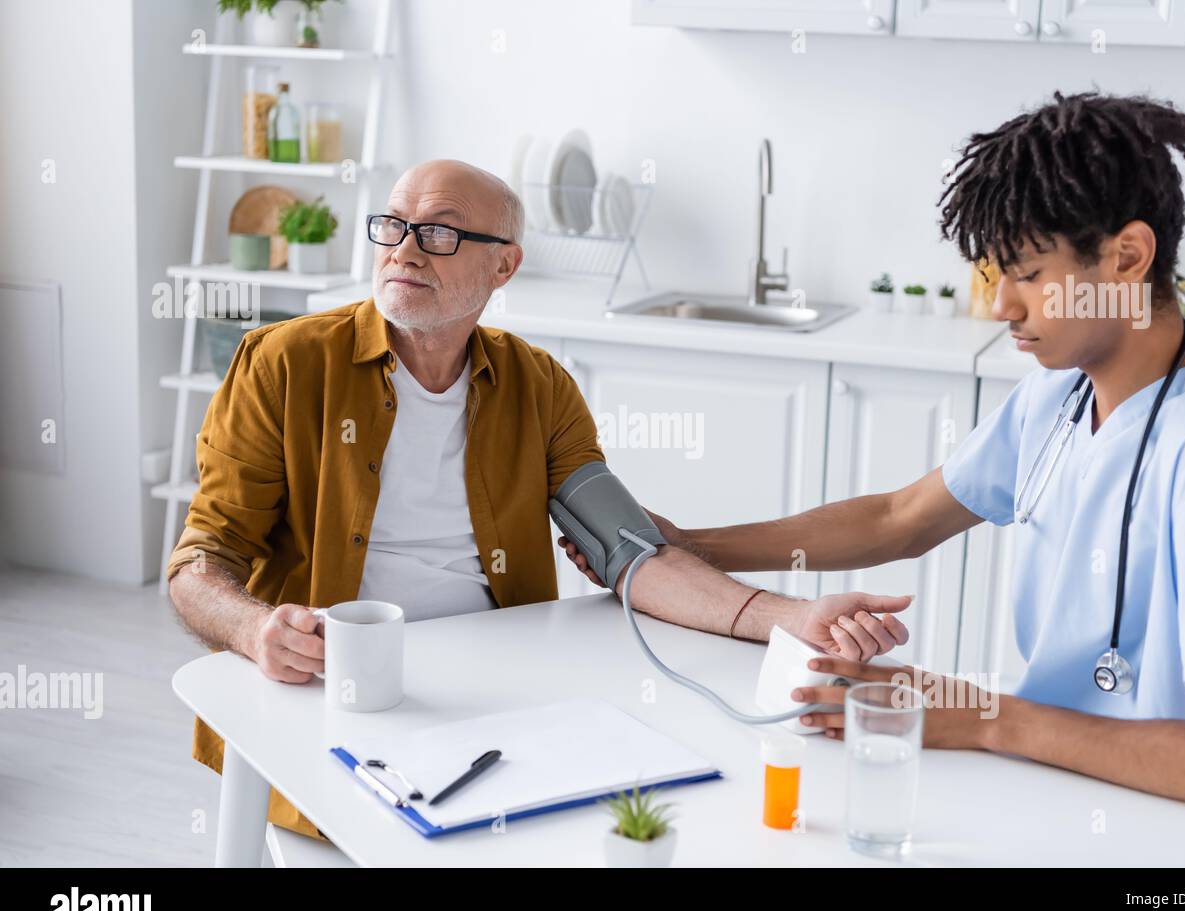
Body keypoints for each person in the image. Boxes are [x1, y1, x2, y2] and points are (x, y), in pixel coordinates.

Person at [563, 93, 1185, 824]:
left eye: (1030, 275)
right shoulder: (1061, 398)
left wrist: (976, 715)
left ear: (1127, 256)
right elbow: (899, 518)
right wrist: (689, 544)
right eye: (997, 273)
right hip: (1063, 793)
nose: (1004, 304)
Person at [169, 159, 911, 839]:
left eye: (438, 231)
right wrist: (255, 628)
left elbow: (632, 554)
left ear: (504, 264)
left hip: (501, 687)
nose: (404, 249)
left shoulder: (539, 385)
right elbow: (198, 563)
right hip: (341, 690)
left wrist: (793, 618)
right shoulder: (286, 364)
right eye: (393, 225)